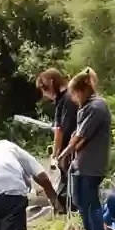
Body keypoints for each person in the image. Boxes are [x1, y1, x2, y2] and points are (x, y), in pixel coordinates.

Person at [56, 69, 113, 230]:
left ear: (82, 90)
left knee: (91, 204)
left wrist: (62, 155)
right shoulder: (86, 107)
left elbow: (81, 136)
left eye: (74, 93)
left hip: (92, 164)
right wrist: (70, 155)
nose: (72, 98)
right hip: (81, 163)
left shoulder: (96, 107)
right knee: (81, 202)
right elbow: (77, 137)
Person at [36, 68, 79, 211]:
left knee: (69, 185)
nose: (44, 94)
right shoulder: (68, 97)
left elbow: (59, 130)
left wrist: (55, 154)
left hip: (70, 149)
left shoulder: (65, 100)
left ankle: (69, 209)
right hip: (74, 147)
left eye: (44, 89)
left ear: (52, 83)